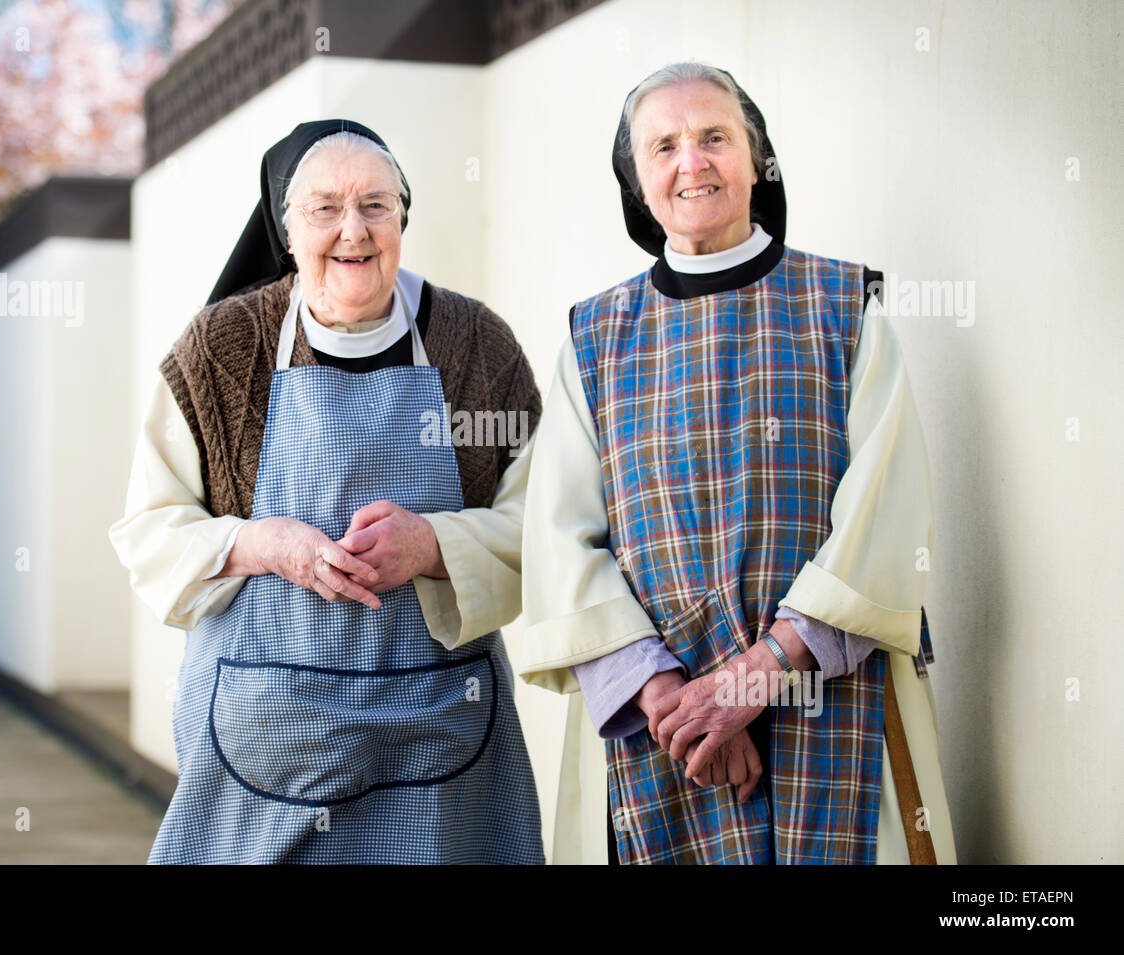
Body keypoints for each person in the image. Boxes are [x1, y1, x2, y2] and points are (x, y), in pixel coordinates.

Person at [517, 63, 957, 864]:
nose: (693, 163)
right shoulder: (592, 338)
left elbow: (888, 517)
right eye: (665, 147)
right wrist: (675, 701)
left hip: (834, 698)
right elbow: (559, 545)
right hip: (663, 730)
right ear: (637, 183)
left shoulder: (842, 307)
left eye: (715, 137)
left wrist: (751, 680)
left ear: (756, 160)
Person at [109, 119, 544, 864]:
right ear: (286, 230)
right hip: (269, 739)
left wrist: (436, 544)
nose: (354, 230)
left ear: (404, 216)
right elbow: (149, 529)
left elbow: (545, 523)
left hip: (437, 731)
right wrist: (262, 543)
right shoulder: (222, 349)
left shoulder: (476, 345)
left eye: (377, 204)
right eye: (325, 208)